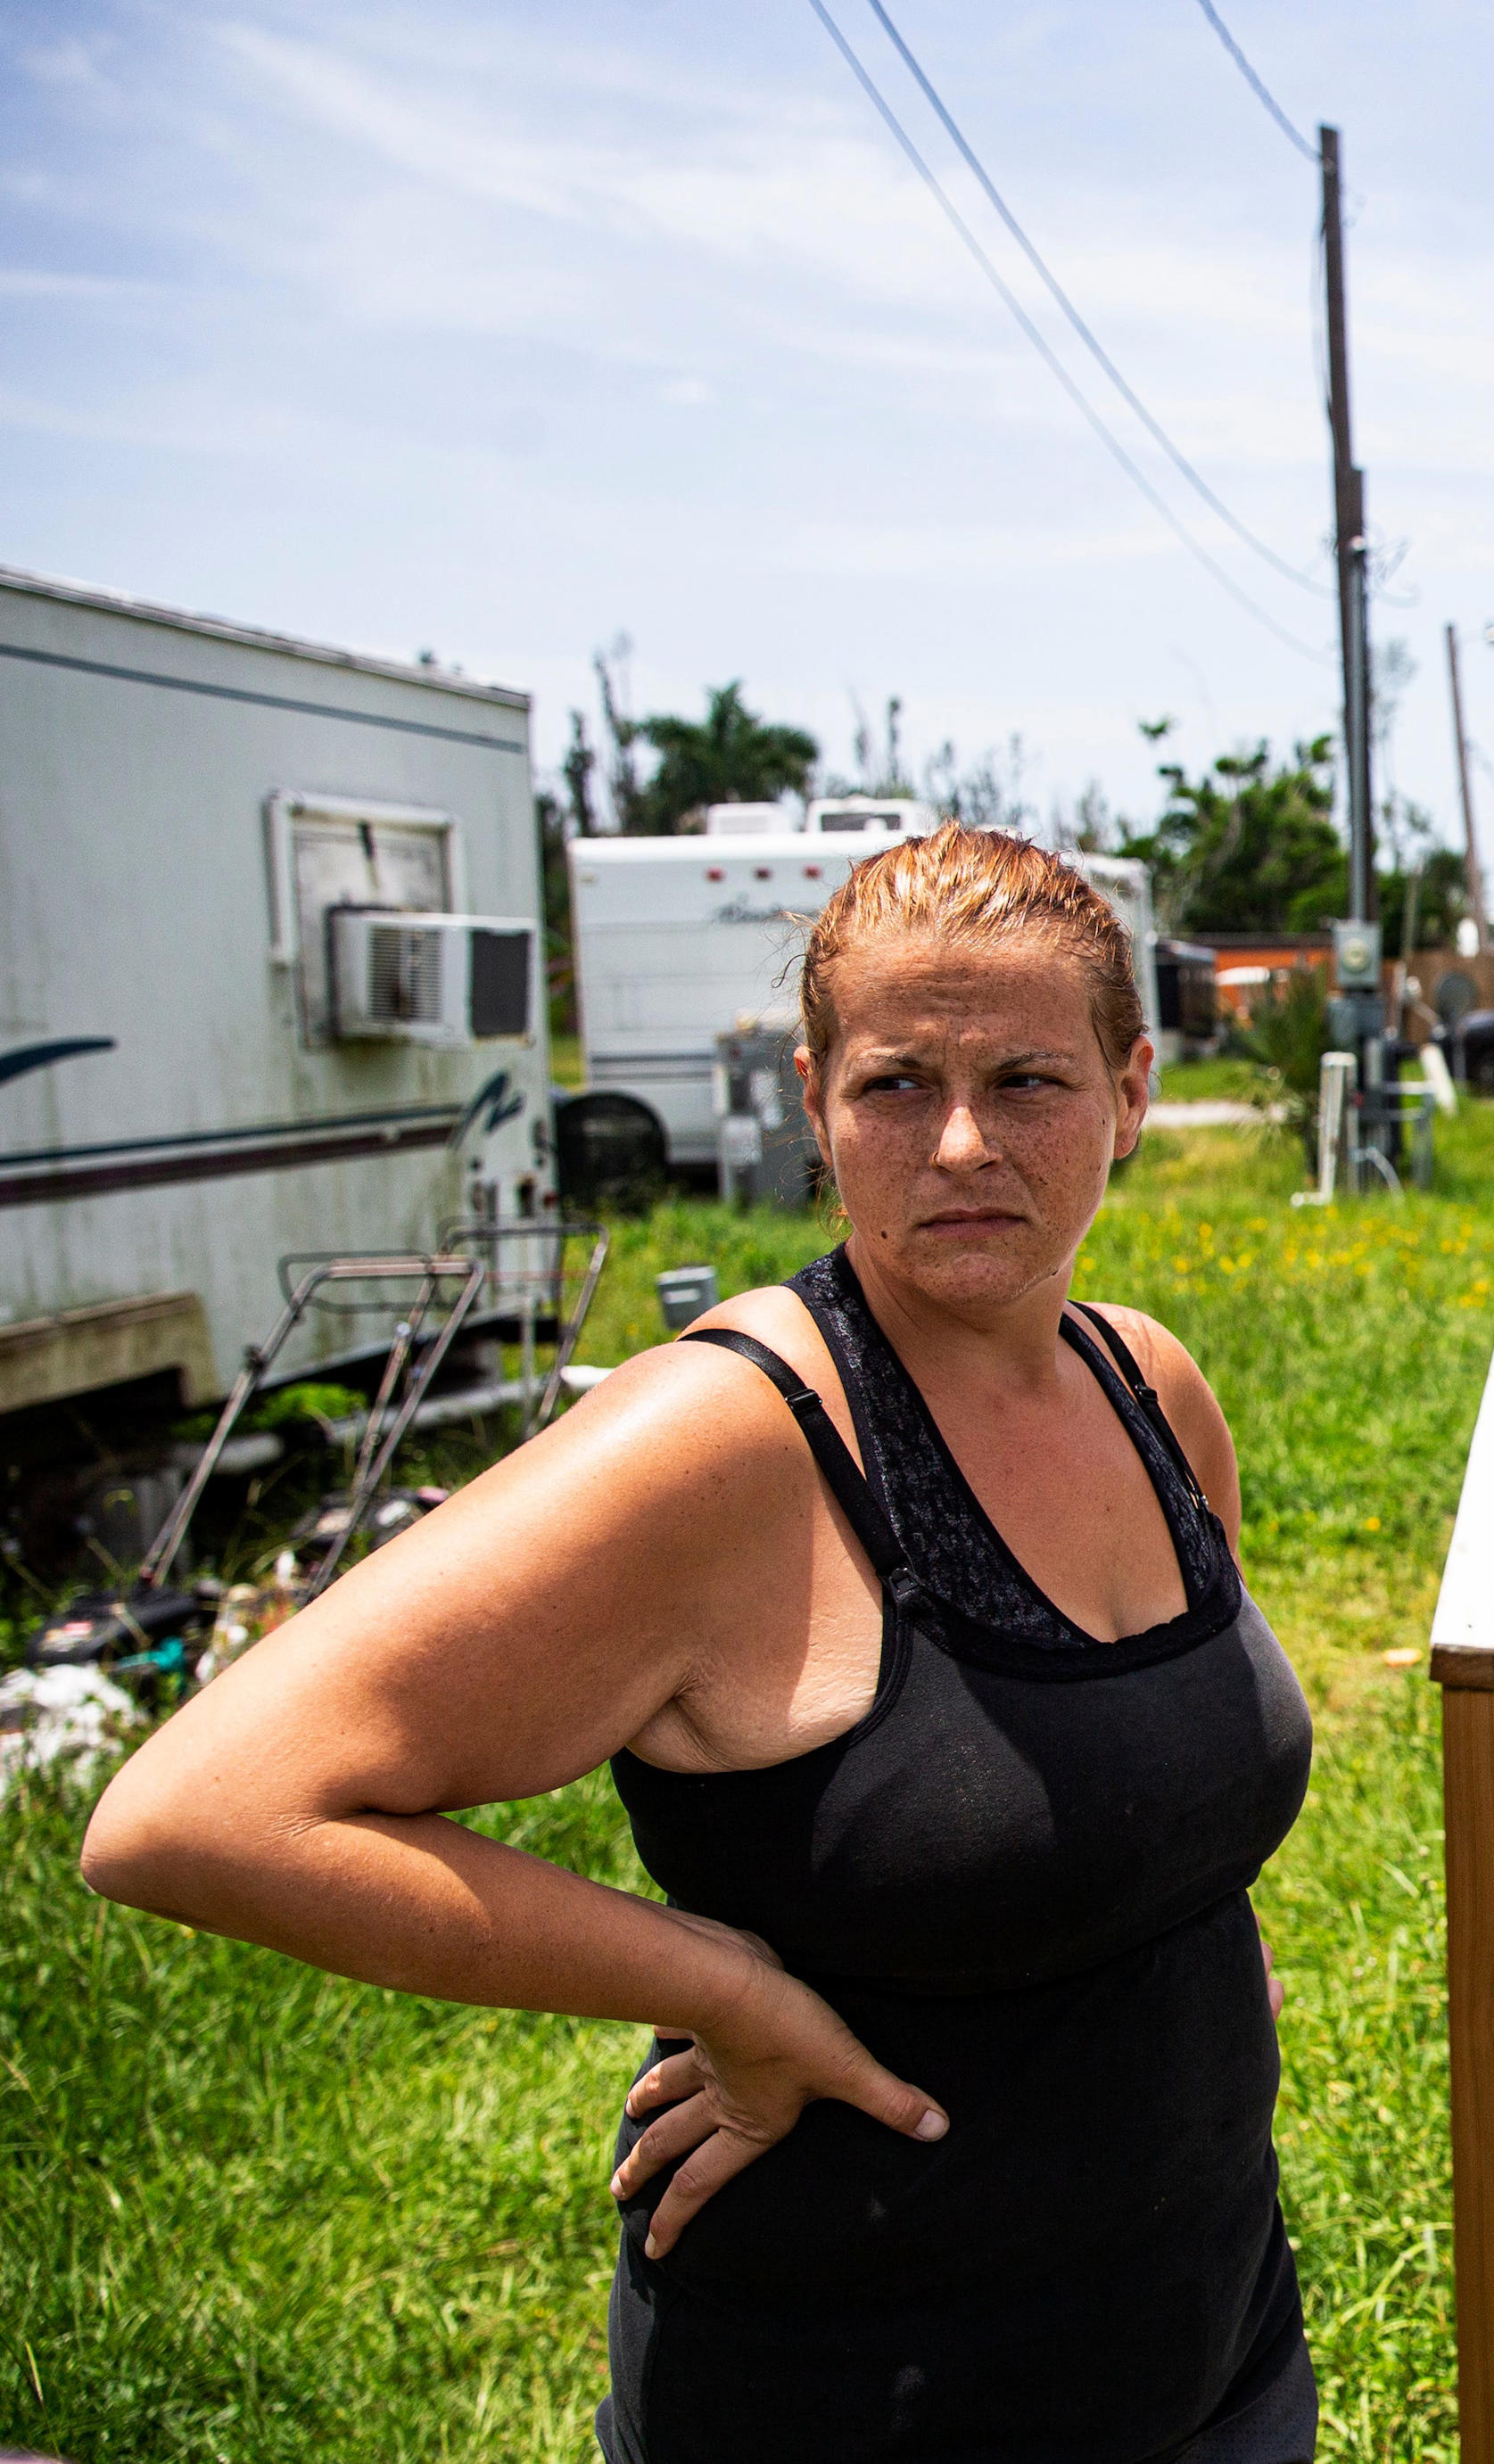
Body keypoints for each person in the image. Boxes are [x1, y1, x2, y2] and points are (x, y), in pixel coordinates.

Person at [82, 828, 1317, 2461]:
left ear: (1133, 1092)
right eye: (895, 1086)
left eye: (1028, 1080)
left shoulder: (1143, 1386)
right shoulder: (731, 1442)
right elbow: (196, 1817)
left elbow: (1161, 1793)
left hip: (1215, 2351)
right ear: (814, 1102)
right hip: (855, 2398)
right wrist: (716, 1983)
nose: (960, 1143)